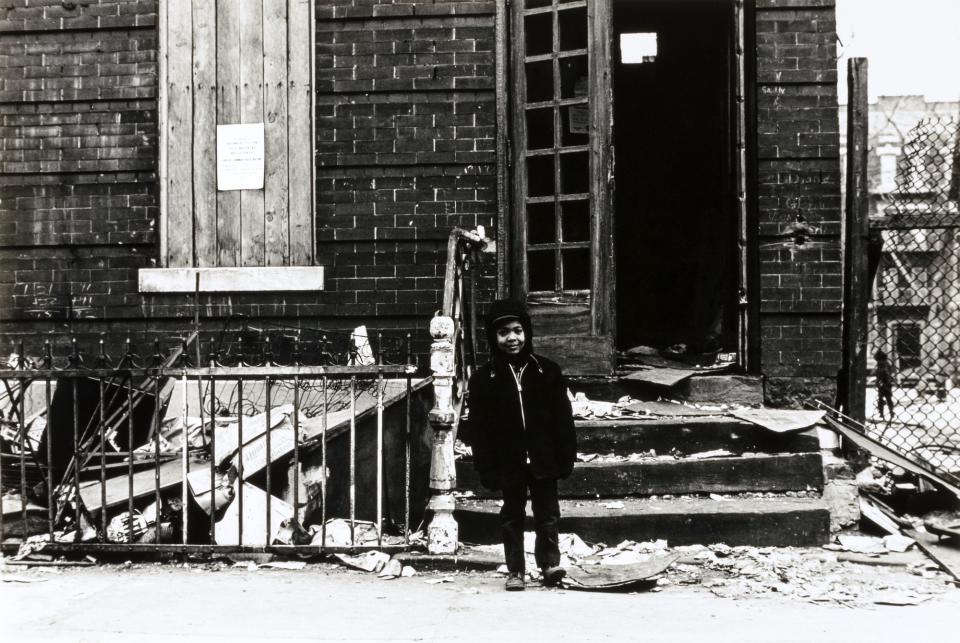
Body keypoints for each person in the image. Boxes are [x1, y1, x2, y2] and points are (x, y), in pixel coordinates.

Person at [467, 298, 577, 591]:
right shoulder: (483, 379)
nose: (512, 338)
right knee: (512, 515)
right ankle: (515, 570)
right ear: (493, 337)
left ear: (526, 332)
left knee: (548, 514)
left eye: (517, 330)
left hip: (544, 458)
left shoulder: (547, 371)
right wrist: (485, 466)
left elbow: (562, 419)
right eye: (503, 333)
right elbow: (479, 428)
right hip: (508, 461)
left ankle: (550, 564)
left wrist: (565, 456)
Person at [874, 349, 895, 420]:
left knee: (883, 399)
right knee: (887, 398)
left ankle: (884, 413)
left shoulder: (883, 364)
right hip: (886, 383)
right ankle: (888, 412)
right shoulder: (886, 363)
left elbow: (882, 373)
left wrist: (878, 381)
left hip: (884, 383)